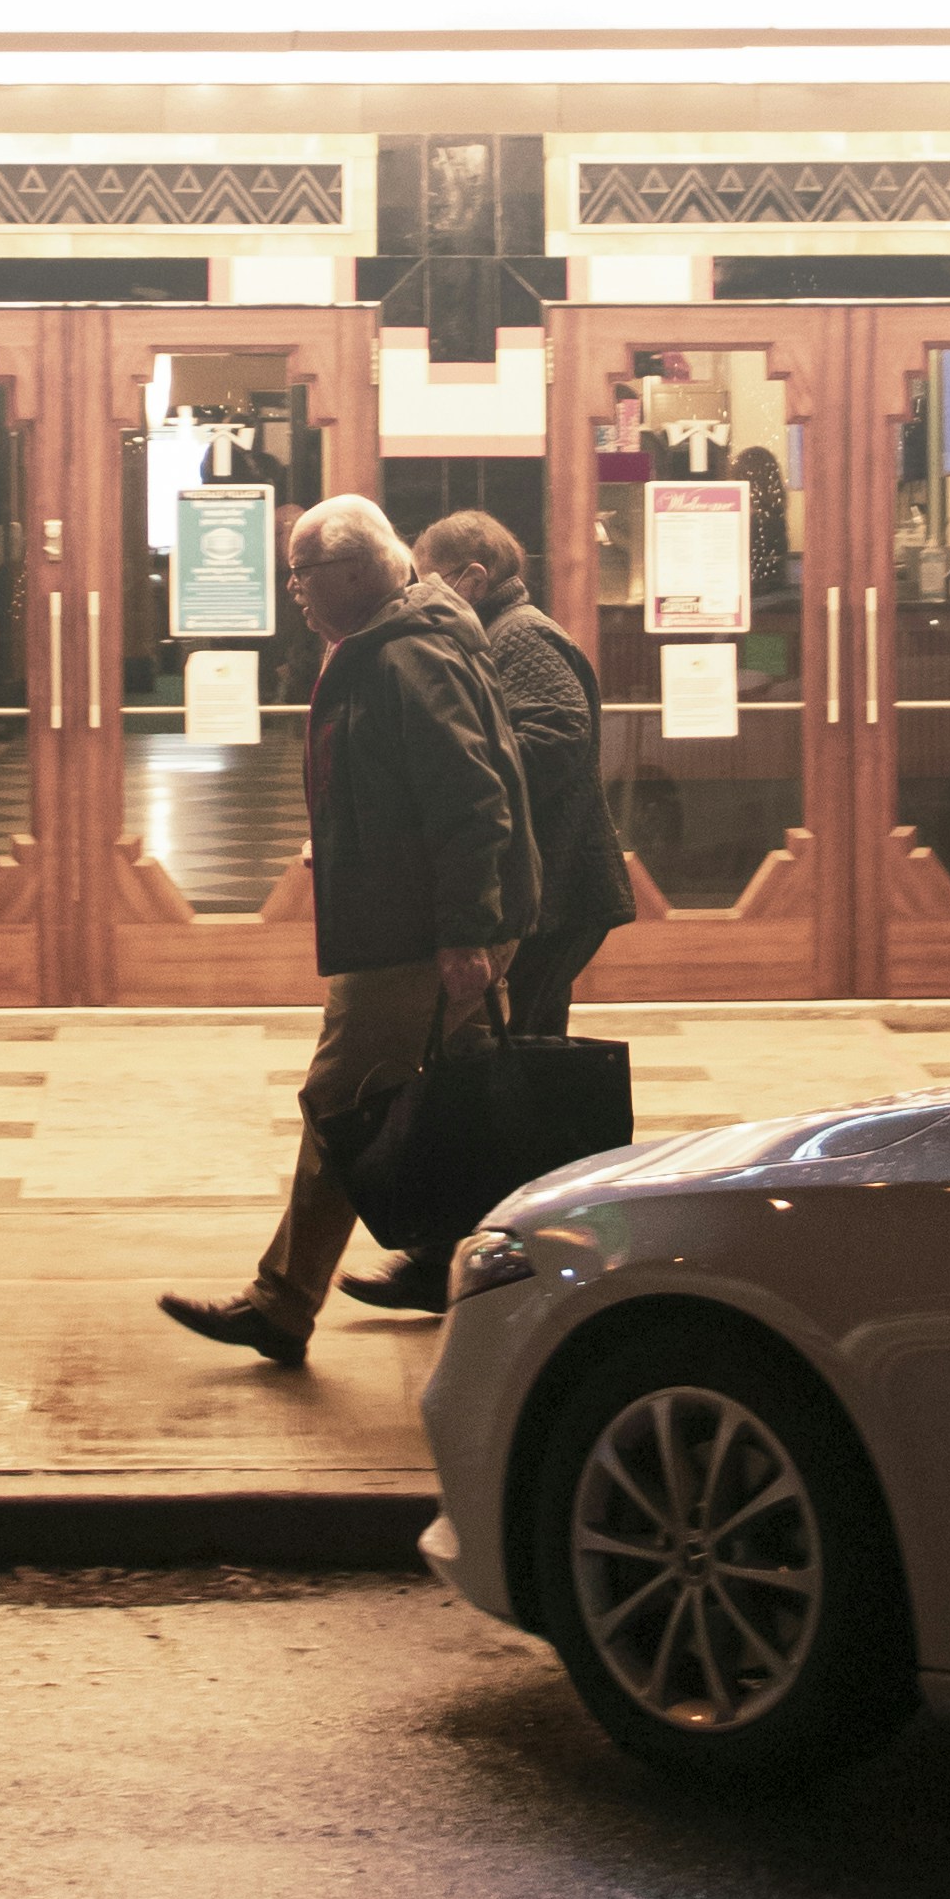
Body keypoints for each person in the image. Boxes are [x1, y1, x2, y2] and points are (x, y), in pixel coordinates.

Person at [159, 494, 533, 1373]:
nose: (294, 588)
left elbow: (468, 799)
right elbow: (399, 782)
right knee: (463, 1107)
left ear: (359, 568)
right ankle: (495, 1279)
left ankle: (285, 1302)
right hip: (419, 918)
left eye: (304, 571)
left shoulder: (410, 654)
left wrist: (467, 932)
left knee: (341, 1098)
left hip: (418, 933)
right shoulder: (392, 643)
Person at [356, 508, 639, 1316]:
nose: (415, 589)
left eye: (425, 574)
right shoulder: (499, 633)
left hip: (555, 896)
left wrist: (466, 759)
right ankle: (468, 1257)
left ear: (471, 578)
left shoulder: (522, 636)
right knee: (498, 1076)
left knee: (514, 1084)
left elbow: (557, 733)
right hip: (544, 893)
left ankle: (519, 1259)